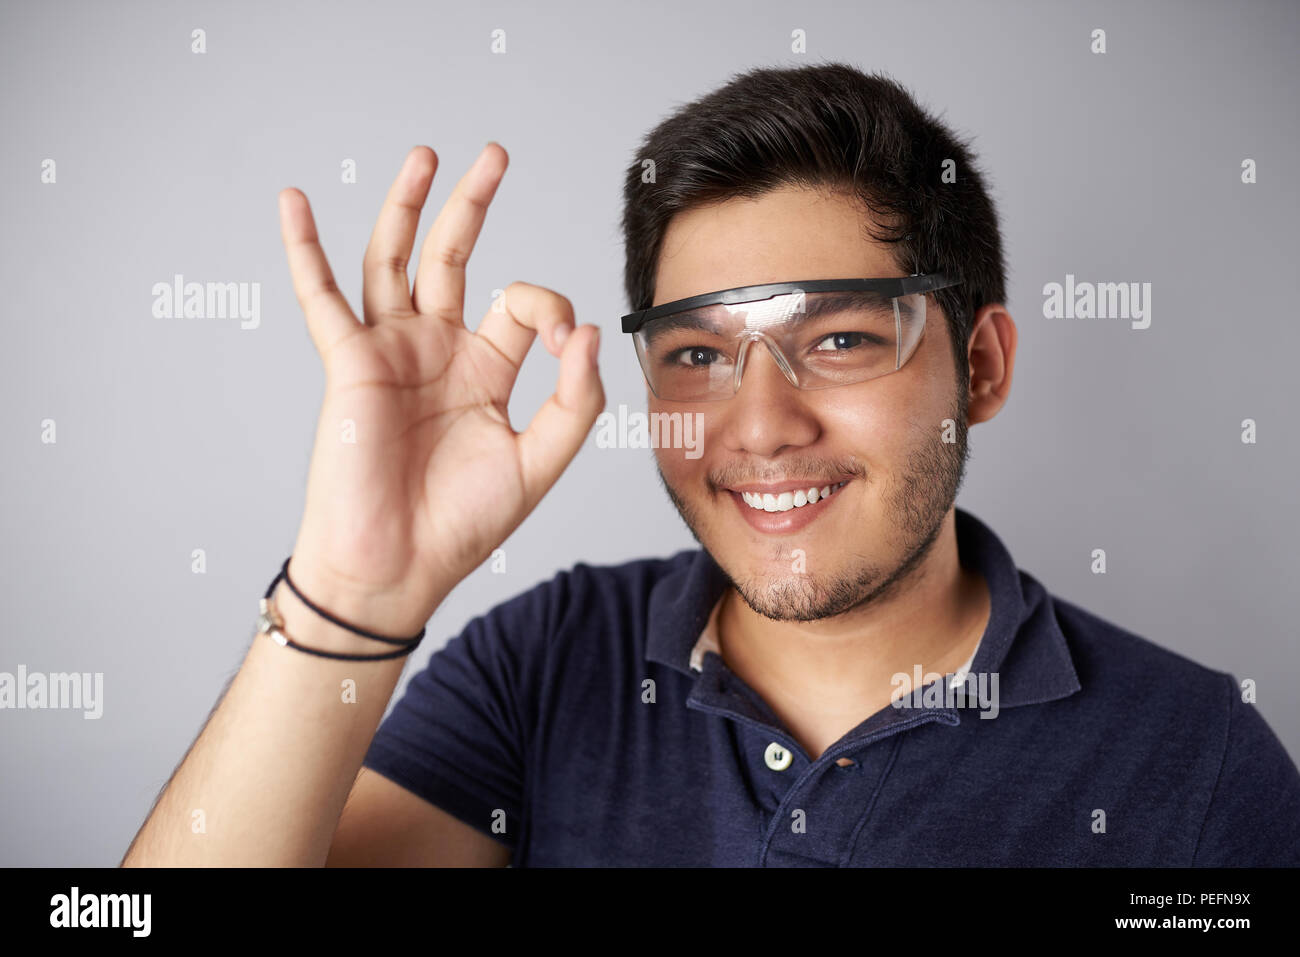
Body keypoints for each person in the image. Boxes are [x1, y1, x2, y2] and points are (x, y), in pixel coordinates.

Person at [122, 62, 1300, 867]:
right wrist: (354, 592)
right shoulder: (548, 662)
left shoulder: (1194, 760)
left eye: (837, 339)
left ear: (980, 367)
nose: (757, 425)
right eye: (696, 354)